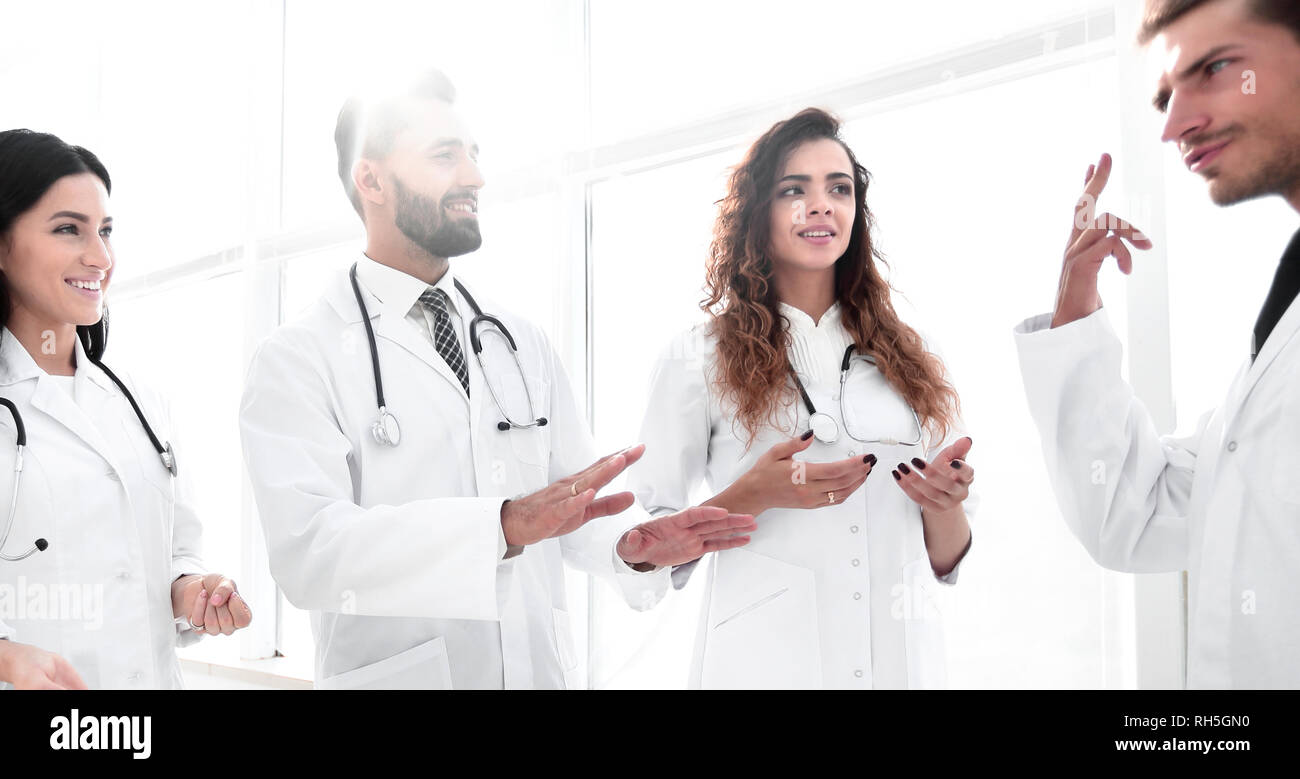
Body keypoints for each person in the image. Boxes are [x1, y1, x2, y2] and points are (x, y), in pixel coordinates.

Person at [238, 70, 754, 690]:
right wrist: (499, 527)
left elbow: (570, 506)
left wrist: (630, 545)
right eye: (444, 156)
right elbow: (310, 553)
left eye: (475, 154)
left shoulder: (518, 341)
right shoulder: (298, 357)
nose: (476, 177)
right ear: (371, 179)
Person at [630, 108, 976, 689]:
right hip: (765, 666)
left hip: (900, 665)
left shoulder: (914, 358)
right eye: (795, 189)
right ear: (757, 212)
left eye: (838, 189)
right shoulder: (699, 356)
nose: (821, 205)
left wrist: (945, 502)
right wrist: (746, 497)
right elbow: (646, 538)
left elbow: (948, 558)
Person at [1014, 0, 1300, 688]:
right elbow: (1137, 513)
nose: (1174, 125)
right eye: (1167, 96)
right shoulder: (1281, 315)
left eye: (1216, 67)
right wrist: (1076, 299)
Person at [0, 129, 250, 690]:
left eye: (106, 232)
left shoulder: (141, 401)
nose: (101, 258)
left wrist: (192, 590)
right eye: (69, 229)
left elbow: (175, 552)